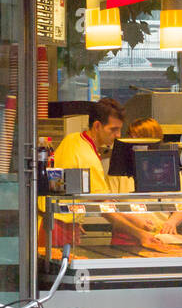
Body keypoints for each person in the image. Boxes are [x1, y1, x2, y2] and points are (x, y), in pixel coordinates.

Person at [44, 98, 167, 249]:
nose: (118, 135)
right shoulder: (88, 157)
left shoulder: (72, 139)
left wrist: (76, 220)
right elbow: (105, 209)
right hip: (59, 227)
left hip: (49, 221)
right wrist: (140, 234)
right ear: (97, 126)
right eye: (113, 129)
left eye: (120, 129)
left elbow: (65, 188)